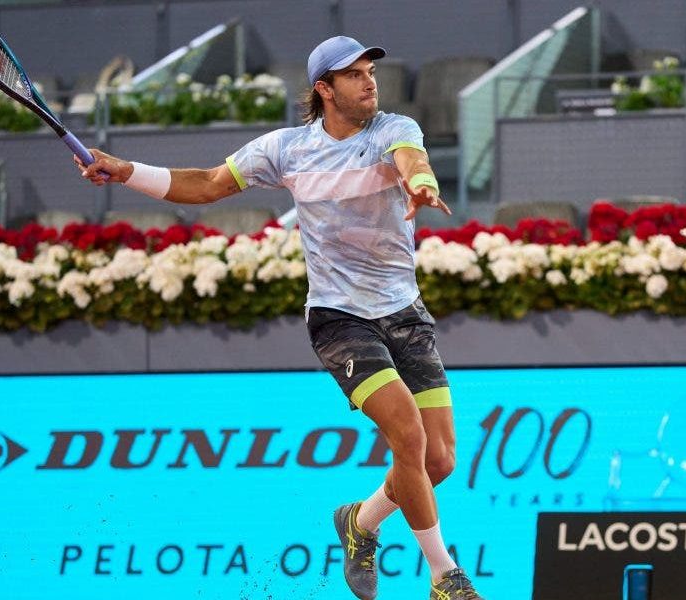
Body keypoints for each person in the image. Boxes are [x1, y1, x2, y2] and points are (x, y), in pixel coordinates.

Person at [77, 36, 483, 600]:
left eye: (371, 71)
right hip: (340, 320)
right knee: (408, 436)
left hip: (405, 313)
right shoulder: (286, 149)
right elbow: (207, 185)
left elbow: (413, 162)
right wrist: (126, 171)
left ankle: (359, 523)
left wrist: (422, 184)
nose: (369, 81)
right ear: (324, 89)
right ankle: (445, 576)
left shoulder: (394, 128)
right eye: (354, 74)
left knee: (437, 460)